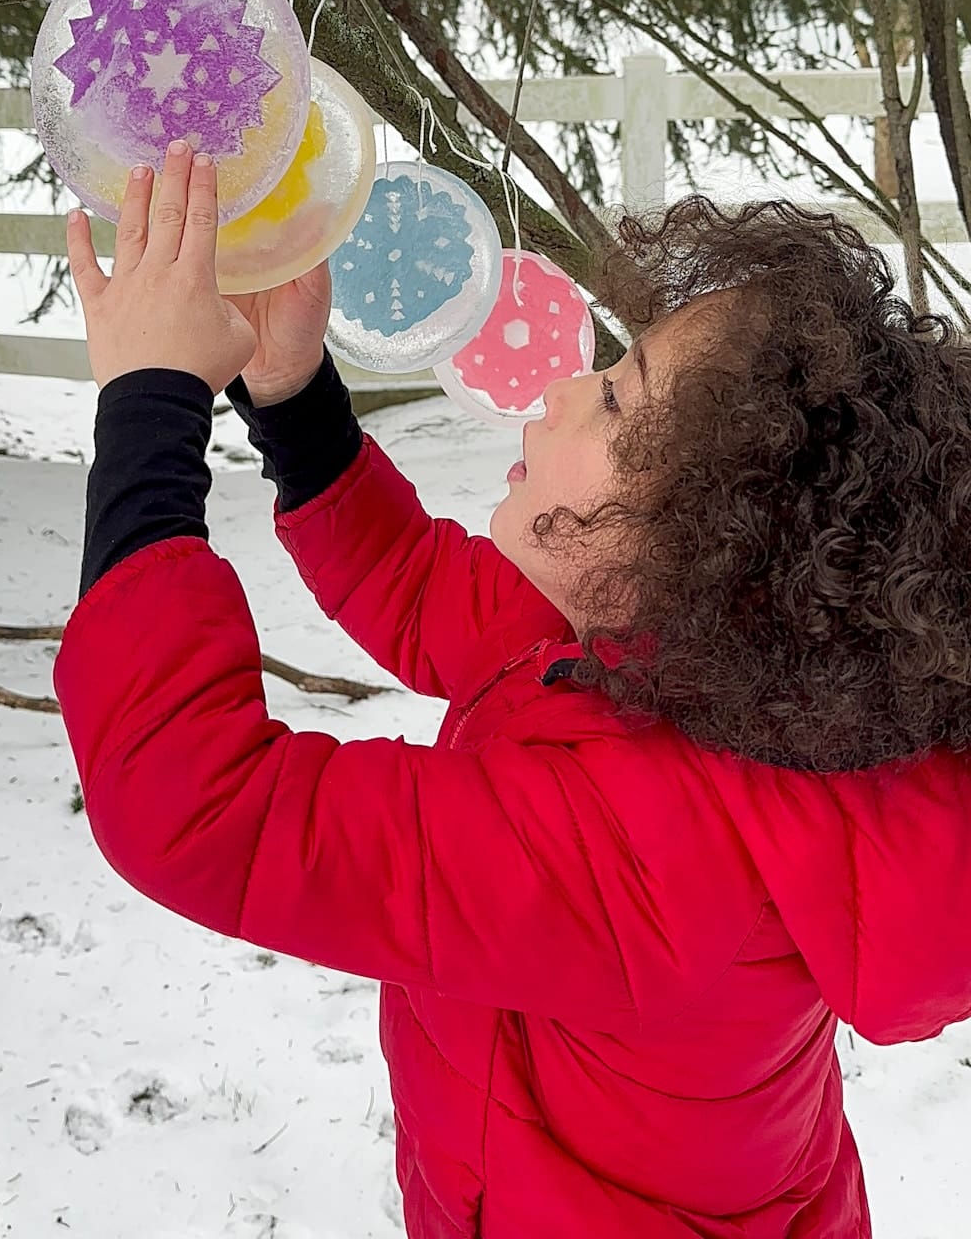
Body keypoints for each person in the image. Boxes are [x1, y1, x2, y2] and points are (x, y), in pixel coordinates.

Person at [56, 138, 971, 1238]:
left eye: (620, 402)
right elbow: (424, 592)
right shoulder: (702, 667)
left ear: (707, 543)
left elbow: (196, 800)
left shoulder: (646, 860)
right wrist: (292, 392)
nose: (567, 387)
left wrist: (150, 407)